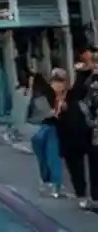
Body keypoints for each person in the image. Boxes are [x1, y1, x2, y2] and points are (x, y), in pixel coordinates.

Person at [60, 47, 98, 210]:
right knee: (85, 164)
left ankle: (92, 196)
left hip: (89, 129)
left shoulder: (90, 81)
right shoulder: (85, 82)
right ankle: (86, 195)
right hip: (80, 130)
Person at [28, 70, 67, 197]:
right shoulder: (45, 96)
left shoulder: (65, 96)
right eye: (56, 83)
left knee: (53, 156)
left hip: (55, 129)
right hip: (45, 127)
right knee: (45, 156)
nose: (59, 87)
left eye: (61, 83)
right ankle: (49, 182)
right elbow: (43, 113)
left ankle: (55, 184)